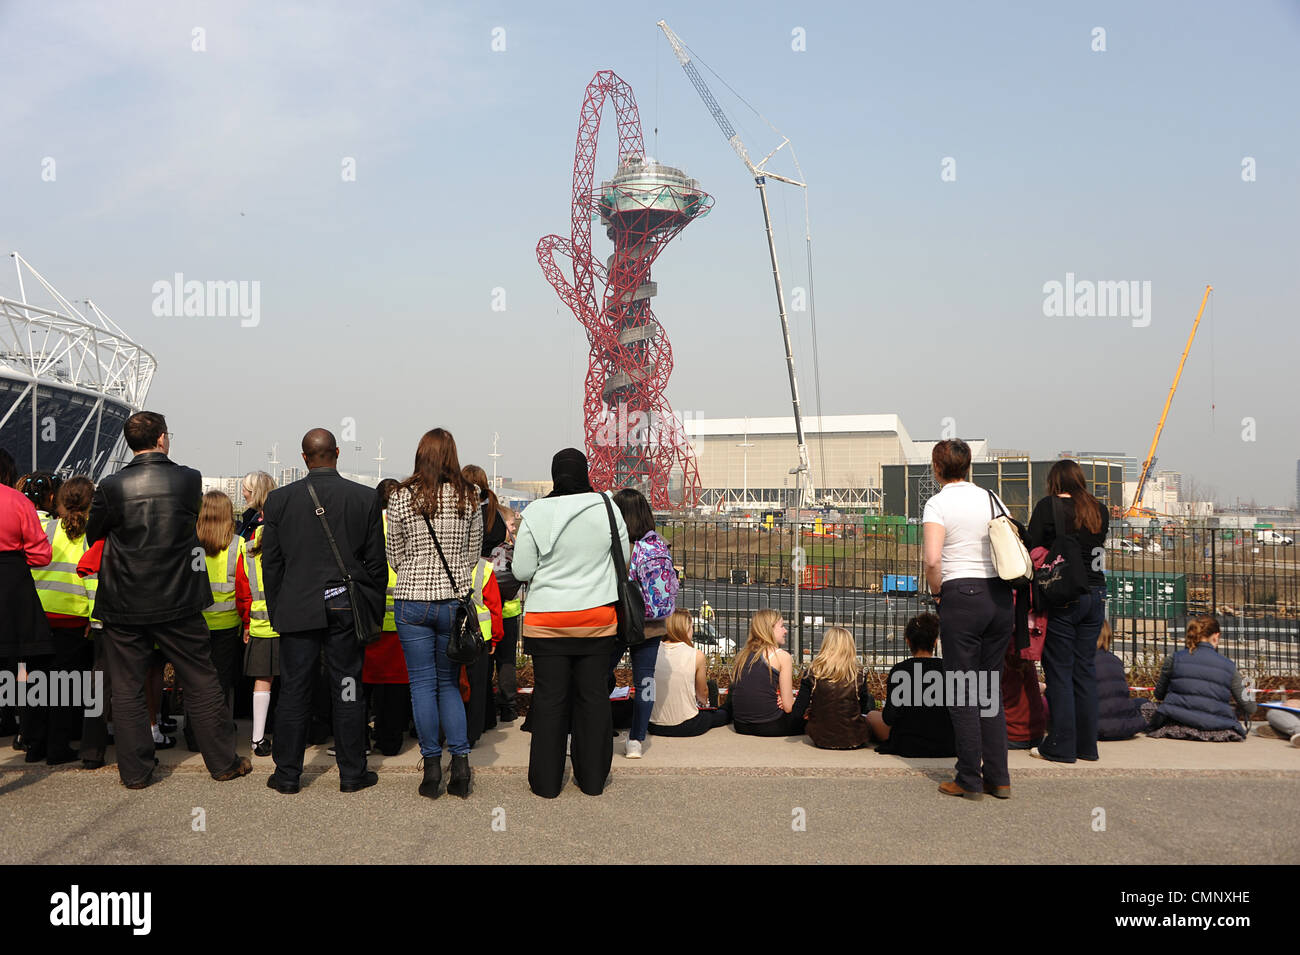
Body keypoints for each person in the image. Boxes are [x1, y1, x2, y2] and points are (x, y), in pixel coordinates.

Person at [84, 412, 250, 789]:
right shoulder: (188, 479)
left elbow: (95, 532)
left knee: (126, 687)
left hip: (124, 600)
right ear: (161, 439)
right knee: (202, 679)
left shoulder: (111, 486)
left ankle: (136, 772)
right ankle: (223, 762)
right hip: (179, 598)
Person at [261, 428, 387, 794]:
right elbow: (376, 565)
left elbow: (272, 564)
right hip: (345, 607)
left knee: (295, 690)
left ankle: (287, 775)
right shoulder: (364, 498)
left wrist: (278, 609)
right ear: (336, 453)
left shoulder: (279, 500)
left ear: (304, 457)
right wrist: (370, 607)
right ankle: (352, 773)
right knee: (347, 686)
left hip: (297, 608)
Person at [512, 448, 628, 798]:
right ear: (585, 472)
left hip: (547, 622)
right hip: (596, 620)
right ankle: (592, 780)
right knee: (593, 698)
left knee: (549, 700)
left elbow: (521, 570)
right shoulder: (607, 507)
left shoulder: (535, 512)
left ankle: (546, 784)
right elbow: (623, 560)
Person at [386, 429, 483, 799]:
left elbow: (394, 554)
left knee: (422, 686)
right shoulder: (471, 496)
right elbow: (473, 555)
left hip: (412, 601)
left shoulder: (400, 497)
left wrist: (414, 569)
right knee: (449, 684)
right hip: (453, 602)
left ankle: (430, 768)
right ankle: (460, 763)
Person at [922, 438, 1014, 800]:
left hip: (961, 597)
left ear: (937, 468)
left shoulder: (938, 503)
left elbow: (933, 560)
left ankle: (968, 779)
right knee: (989, 690)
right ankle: (999, 777)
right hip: (1000, 599)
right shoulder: (992, 498)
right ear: (969, 466)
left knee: (962, 691)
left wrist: (937, 594)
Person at [1028, 459, 1109, 764]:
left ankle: (1061, 745)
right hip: (1096, 594)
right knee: (1084, 670)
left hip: (1064, 596)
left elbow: (1032, 547)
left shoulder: (1048, 507)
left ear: (1055, 482)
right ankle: (1087, 746)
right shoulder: (1098, 510)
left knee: (1059, 670)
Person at [29, 476, 98, 764]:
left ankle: (35, 746)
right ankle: (58, 748)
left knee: (36, 684)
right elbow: (93, 581)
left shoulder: (44, 528)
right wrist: (94, 621)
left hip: (38, 618)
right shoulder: (88, 537)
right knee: (64, 687)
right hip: (72, 622)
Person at [610, 487, 677, 758]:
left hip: (618, 622)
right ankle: (636, 740)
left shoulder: (619, 547)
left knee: (598, 675)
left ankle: (591, 728)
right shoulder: (659, 544)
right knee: (645, 681)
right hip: (652, 624)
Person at [0, 453, 53, 754]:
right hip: (13, 584)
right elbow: (41, 555)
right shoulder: (19, 502)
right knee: (29, 664)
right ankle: (30, 734)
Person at [1147, 615, 1256, 741]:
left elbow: (1159, 694)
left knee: (1143, 706)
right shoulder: (1229, 666)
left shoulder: (1174, 658)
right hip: (1217, 727)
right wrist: (1249, 689)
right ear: (1216, 636)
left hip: (1177, 722)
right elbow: (1250, 707)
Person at [363, 479, 411, 756]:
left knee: (364, 681)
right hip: (403, 613)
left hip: (372, 614)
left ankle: (360, 739)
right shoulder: (405, 521)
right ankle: (390, 740)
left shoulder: (367, 522)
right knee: (396, 684)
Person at [871, 613, 957, 757]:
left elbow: (889, 717)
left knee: (871, 716)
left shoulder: (900, 670)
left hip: (908, 744)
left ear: (908, 642)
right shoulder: (949, 669)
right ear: (935, 642)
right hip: (946, 744)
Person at [462, 464, 506, 745]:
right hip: (490, 587)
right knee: (483, 677)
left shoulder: (468, 513)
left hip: (464, 607)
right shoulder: (495, 512)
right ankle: (484, 721)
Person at [235, 488, 279, 758]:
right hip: (292, 625)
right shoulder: (293, 545)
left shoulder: (248, 547)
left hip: (260, 625)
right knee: (293, 684)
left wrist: (247, 622)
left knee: (262, 682)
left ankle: (257, 738)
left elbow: (243, 590)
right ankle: (288, 734)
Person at [196, 491, 244, 728]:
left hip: (196, 622)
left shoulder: (192, 544)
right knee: (222, 680)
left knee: (196, 679)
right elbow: (245, 586)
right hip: (228, 622)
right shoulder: (238, 544)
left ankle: (195, 730)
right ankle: (220, 727)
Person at [648, 610, 730, 737]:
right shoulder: (696, 655)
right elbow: (702, 693)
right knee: (722, 713)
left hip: (653, 725)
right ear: (685, 629)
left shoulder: (652, 651)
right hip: (685, 724)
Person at [794, 626, 876, 749]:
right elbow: (863, 706)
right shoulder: (858, 674)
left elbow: (798, 711)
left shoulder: (812, 672)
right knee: (869, 699)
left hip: (821, 738)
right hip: (854, 737)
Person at [727, 609, 804, 736]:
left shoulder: (742, 655)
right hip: (770, 724)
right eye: (782, 626)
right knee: (812, 719)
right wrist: (795, 701)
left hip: (740, 724)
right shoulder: (782, 656)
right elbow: (789, 707)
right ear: (770, 629)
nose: (786, 631)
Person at [488, 506, 523, 723]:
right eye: (511, 525)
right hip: (509, 611)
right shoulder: (513, 549)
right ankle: (509, 705)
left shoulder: (486, 548)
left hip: (489, 612)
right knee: (507, 661)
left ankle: (488, 706)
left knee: (487, 661)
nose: (513, 529)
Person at [1095, 620, 1149, 741]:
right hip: (1126, 726)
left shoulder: (1083, 660)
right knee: (1141, 701)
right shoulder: (1116, 660)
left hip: (1098, 726)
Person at [238, 471, 275, 541]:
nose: (242, 494)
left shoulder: (260, 523)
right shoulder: (251, 517)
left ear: (254, 493)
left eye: (244, 490)